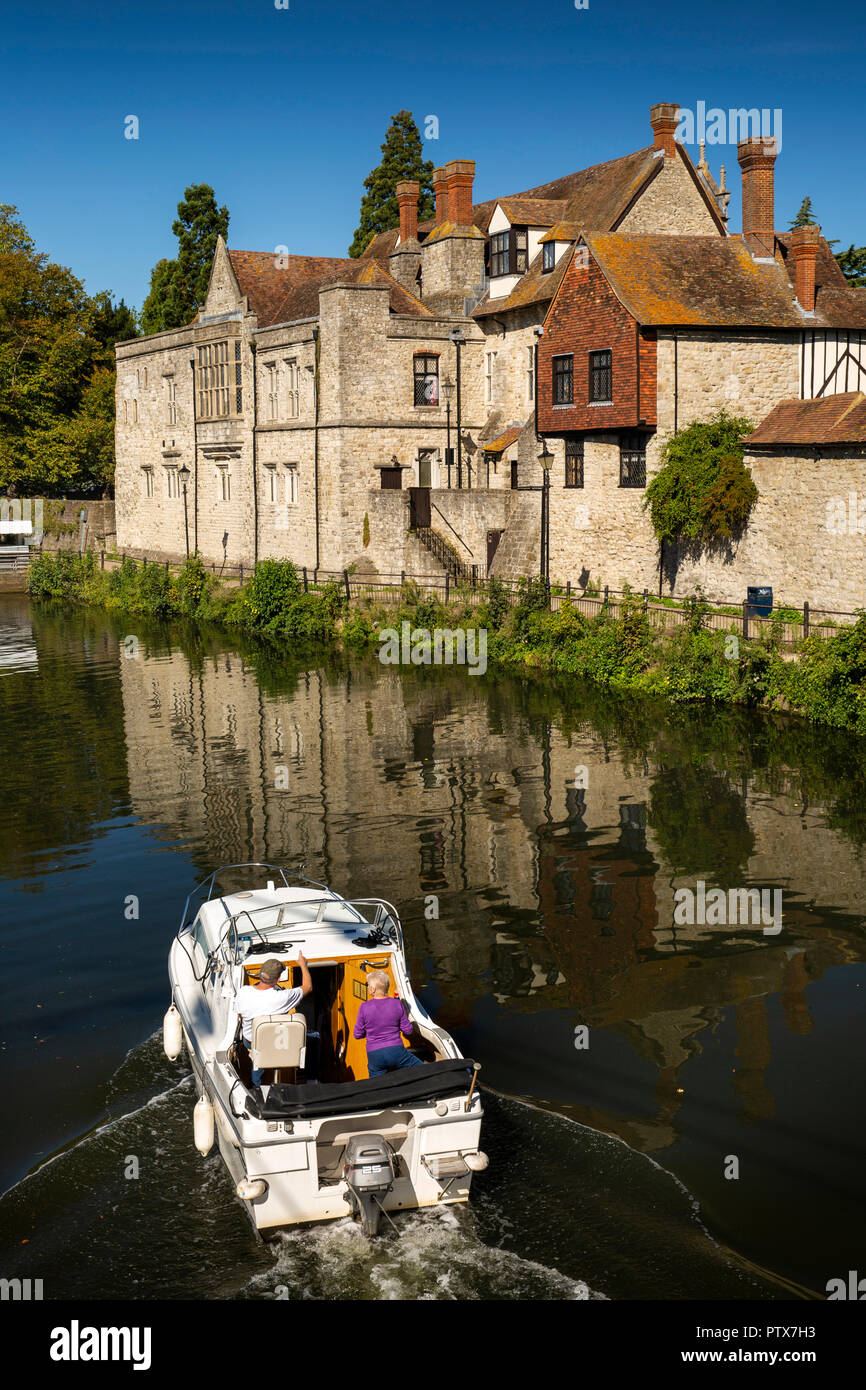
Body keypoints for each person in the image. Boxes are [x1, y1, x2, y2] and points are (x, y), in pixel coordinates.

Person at [237, 953, 312, 1086]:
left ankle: (256, 1084)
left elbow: (240, 1015)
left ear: (260, 974)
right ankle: (312, 1078)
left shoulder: (243, 992)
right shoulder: (283, 997)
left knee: (259, 1054)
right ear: (277, 980)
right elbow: (308, 987)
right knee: (314, 1037)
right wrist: (303, 965)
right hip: (279, 1044)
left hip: (252, 1043)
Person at [353, 969, 423, 1078]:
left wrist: (371, 1033)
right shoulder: (397, 1004)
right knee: (422, 1069)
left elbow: (357, 1035)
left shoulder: (364, 1007)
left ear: (372, 989)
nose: (367, 988)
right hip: (396, 1052)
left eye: (368, 985)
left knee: (376, 1083)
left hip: (375, 1055)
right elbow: (408, 1030)